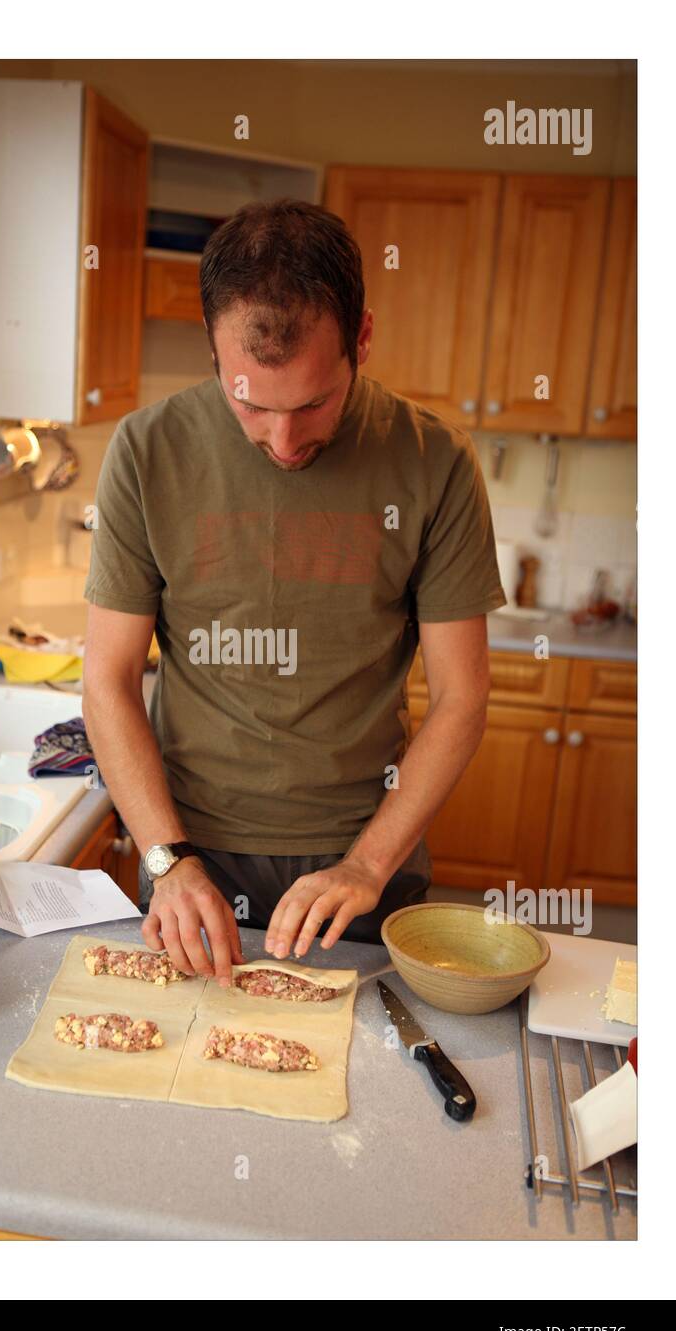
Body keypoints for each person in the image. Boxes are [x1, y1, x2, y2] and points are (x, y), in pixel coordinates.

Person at [82, 199, 505, 986]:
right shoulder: (145, 450)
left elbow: (462, 697)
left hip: (367, 859)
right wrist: (168, 860)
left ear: (362, 340)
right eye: (250, 403)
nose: (283, 442)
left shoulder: (436, 461)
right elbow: (107, 679)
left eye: (313, 403)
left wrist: (367, 866)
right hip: (189, 858)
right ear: (212, 350)